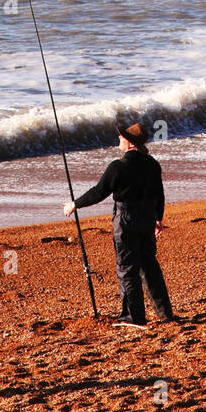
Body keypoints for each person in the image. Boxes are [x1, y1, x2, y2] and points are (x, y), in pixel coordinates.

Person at [64, 118, 174, 326]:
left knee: (127, 268)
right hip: (148, 217)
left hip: (126, 219)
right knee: (149, 265)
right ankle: (164, 312)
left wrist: (74, 204)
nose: (119, 138)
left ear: (130, 143)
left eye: (122, 136)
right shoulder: (152, 165)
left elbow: (99, 192)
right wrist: (158, 218)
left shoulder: (118, 166)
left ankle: (134, 317)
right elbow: (159, 194)